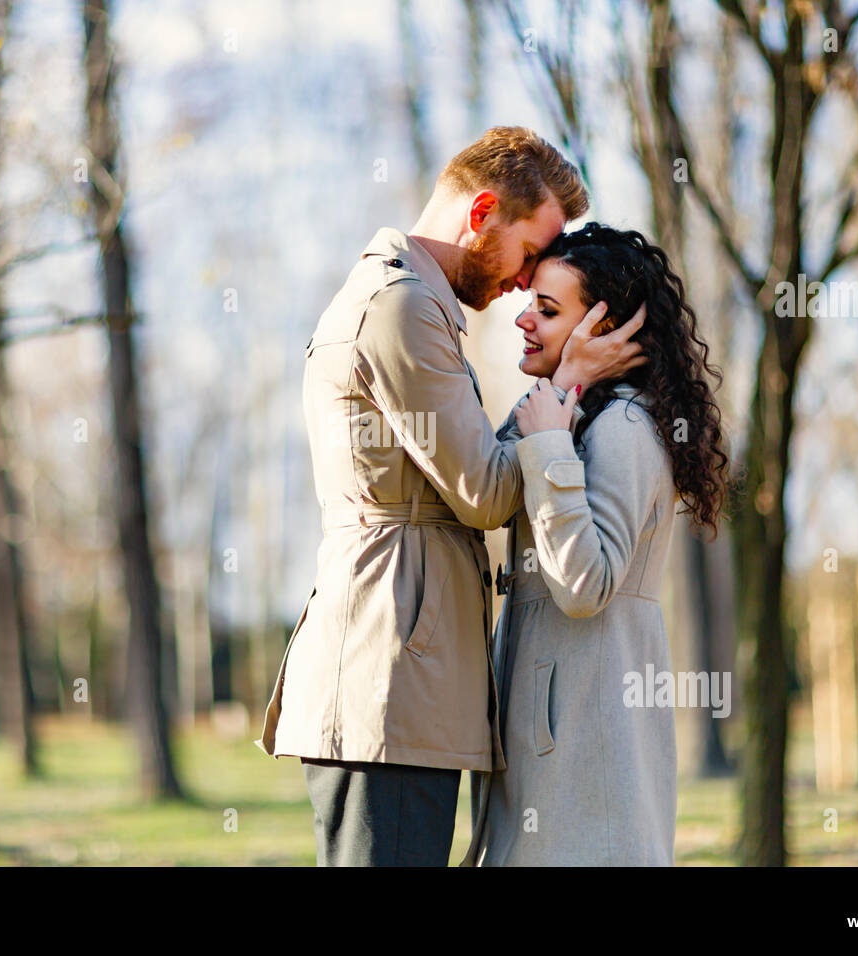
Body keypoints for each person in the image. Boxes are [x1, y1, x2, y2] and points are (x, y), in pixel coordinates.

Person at [256, 128, 646, 866]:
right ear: (483, 212)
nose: (525, 283)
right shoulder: (400, 306)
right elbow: (488, 492)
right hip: (387, 689)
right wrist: (566, 386)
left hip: (406, 689)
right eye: (529, 254)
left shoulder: (415, 302)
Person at [463, 222, 730, 866]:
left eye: (549, 311)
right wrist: (561, 394)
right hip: (552, 740)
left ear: (603, 329)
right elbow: (489, 478)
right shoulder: (574, 411)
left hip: (587, 742)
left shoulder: (624, 429)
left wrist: (553, 436)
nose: (524, 320)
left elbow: (586, 586)